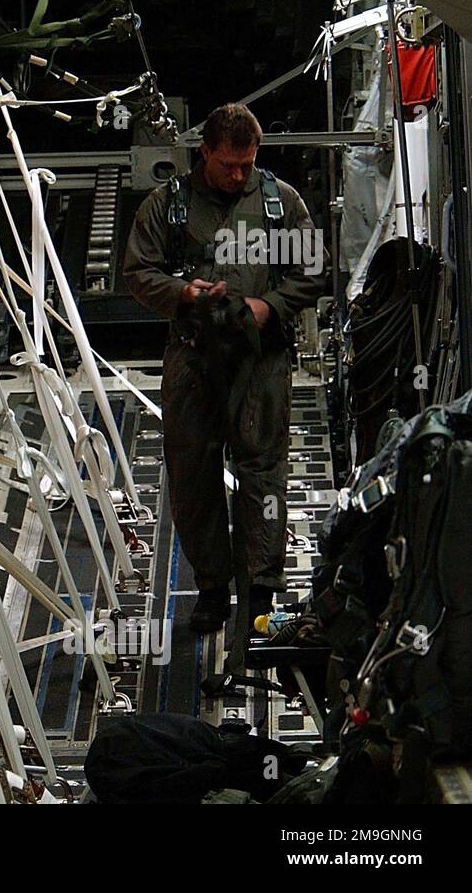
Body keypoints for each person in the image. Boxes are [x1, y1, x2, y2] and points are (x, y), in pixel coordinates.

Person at [124, 103, 324, 633]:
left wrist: (271, 306)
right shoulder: (169, 207)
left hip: (260, 360)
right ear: (204, 152)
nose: (238, 176)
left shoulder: (281, 204)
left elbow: (313, 271)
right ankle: (212, 588)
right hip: (194, 358)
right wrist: (184, 292)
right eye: (227, 165)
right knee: (194, 475)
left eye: (247, 165)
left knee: (264, 474)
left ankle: (260, 588)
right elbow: (137, 271)